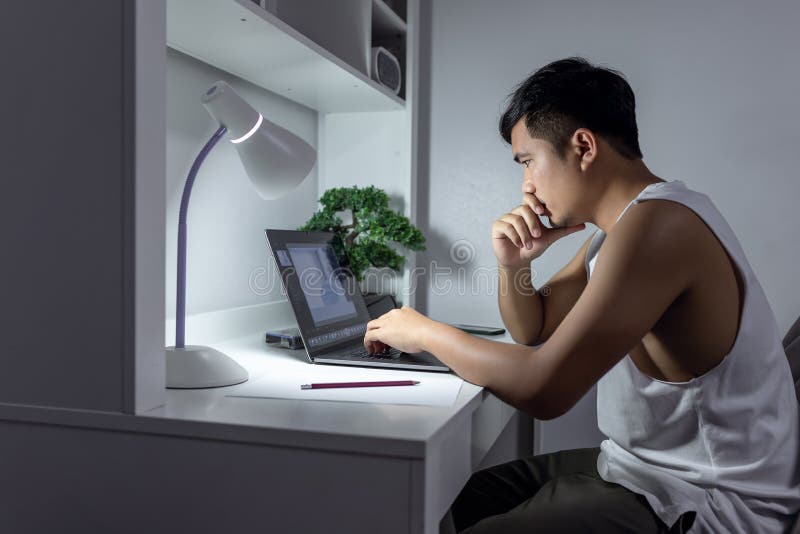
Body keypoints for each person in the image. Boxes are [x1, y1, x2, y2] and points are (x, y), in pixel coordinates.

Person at [362, 57, 800, 532]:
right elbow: (534, 327)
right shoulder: (620, 231)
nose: (526, 184)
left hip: (710, 502)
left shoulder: (659, 228)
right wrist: (516, 264)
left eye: (528, 161)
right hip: (637, 470)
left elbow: (543, 389)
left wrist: (423, 331)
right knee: (434, 499)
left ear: (583, 147)